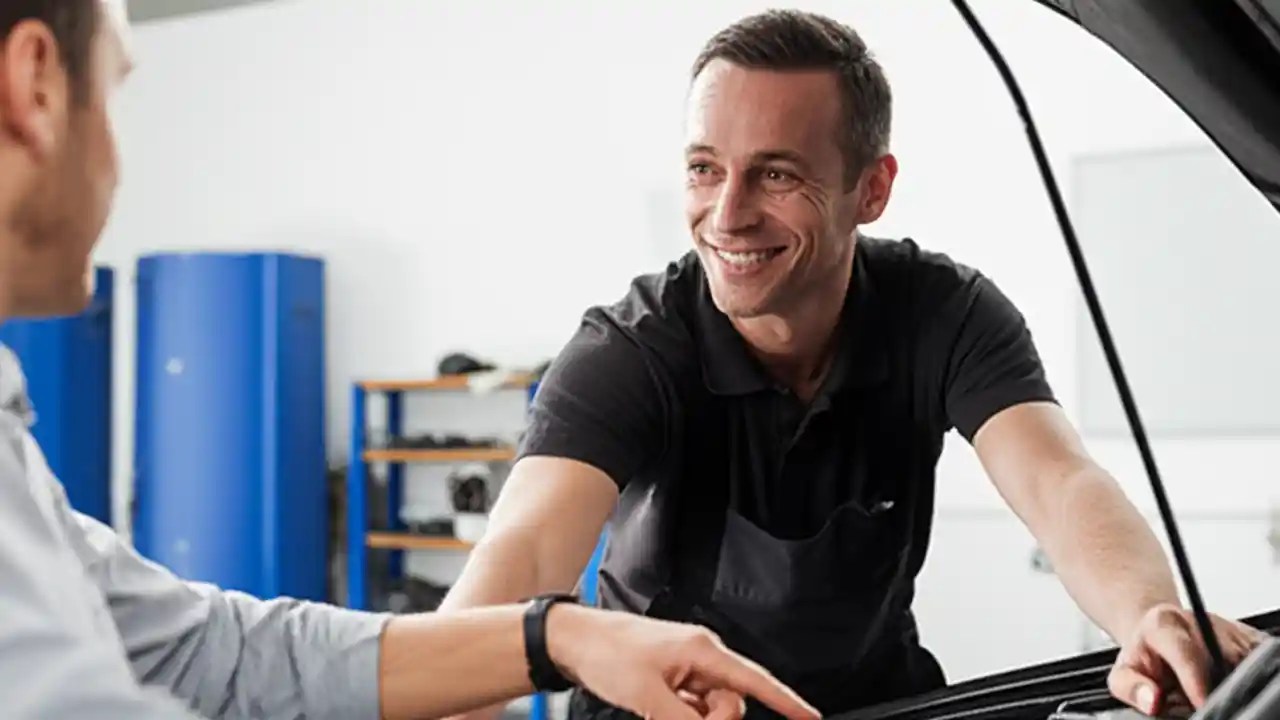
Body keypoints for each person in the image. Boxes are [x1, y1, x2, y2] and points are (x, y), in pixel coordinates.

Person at [0, 3, 827, 720]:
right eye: (114, 93)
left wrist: (555, 633)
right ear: (36, 83)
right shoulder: (635, 337)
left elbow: (209, 654)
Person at [438, 8, 1269, 720]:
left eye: (776, 173)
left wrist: (1152, 614)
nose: (726, 215)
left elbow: (1060, 484)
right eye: (704, 169)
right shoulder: (632, 347)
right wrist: (444, 691)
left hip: (873, 704)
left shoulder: (943, 312)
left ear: (872, 189)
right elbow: (526, 550)